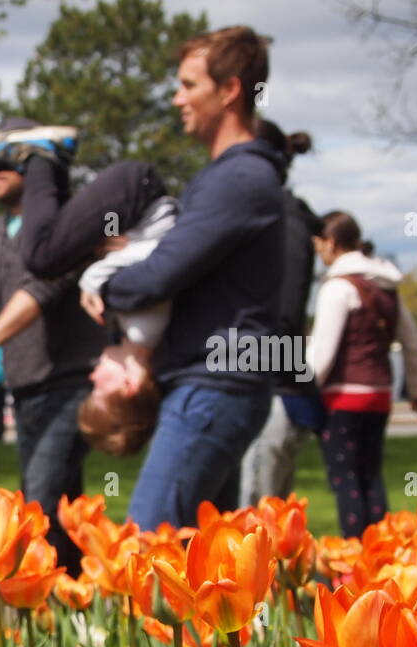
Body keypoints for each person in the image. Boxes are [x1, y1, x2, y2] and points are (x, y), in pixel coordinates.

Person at [84, 27, 287, 529]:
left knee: (148, 546)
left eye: (188, 85)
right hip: (214, 383)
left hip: (214, 385)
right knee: (204, 563)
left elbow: (157, 277)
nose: (177, 99)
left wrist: (104, 287)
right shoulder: (233, 178)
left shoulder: (239, 180)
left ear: (230, 90)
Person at [0, 117, 108, 573]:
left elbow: (41, 292)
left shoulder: (69, 223)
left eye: (5, 159)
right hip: (24, 388)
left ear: (39, 165)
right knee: (60, 502)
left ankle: (27, 602)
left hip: (70, 381)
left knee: (39, 502)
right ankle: (75, 598)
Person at [309, 212, 417, 537]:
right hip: (380, 395)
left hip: (343, 397)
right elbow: (413, 343)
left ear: (332, 243)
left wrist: (306, 393)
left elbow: (322, 351)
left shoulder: (338, 287)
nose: (318, 253)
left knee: (346, 481)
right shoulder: (387, 288)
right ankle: (382, 558)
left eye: (319, 245)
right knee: (371, 478)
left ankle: (353, 565)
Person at [238, 120, 322, 507]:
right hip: (269, 386)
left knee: (255, 516)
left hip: (273, 392)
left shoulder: (283, 221)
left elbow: (284, 313)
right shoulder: (277, 217)